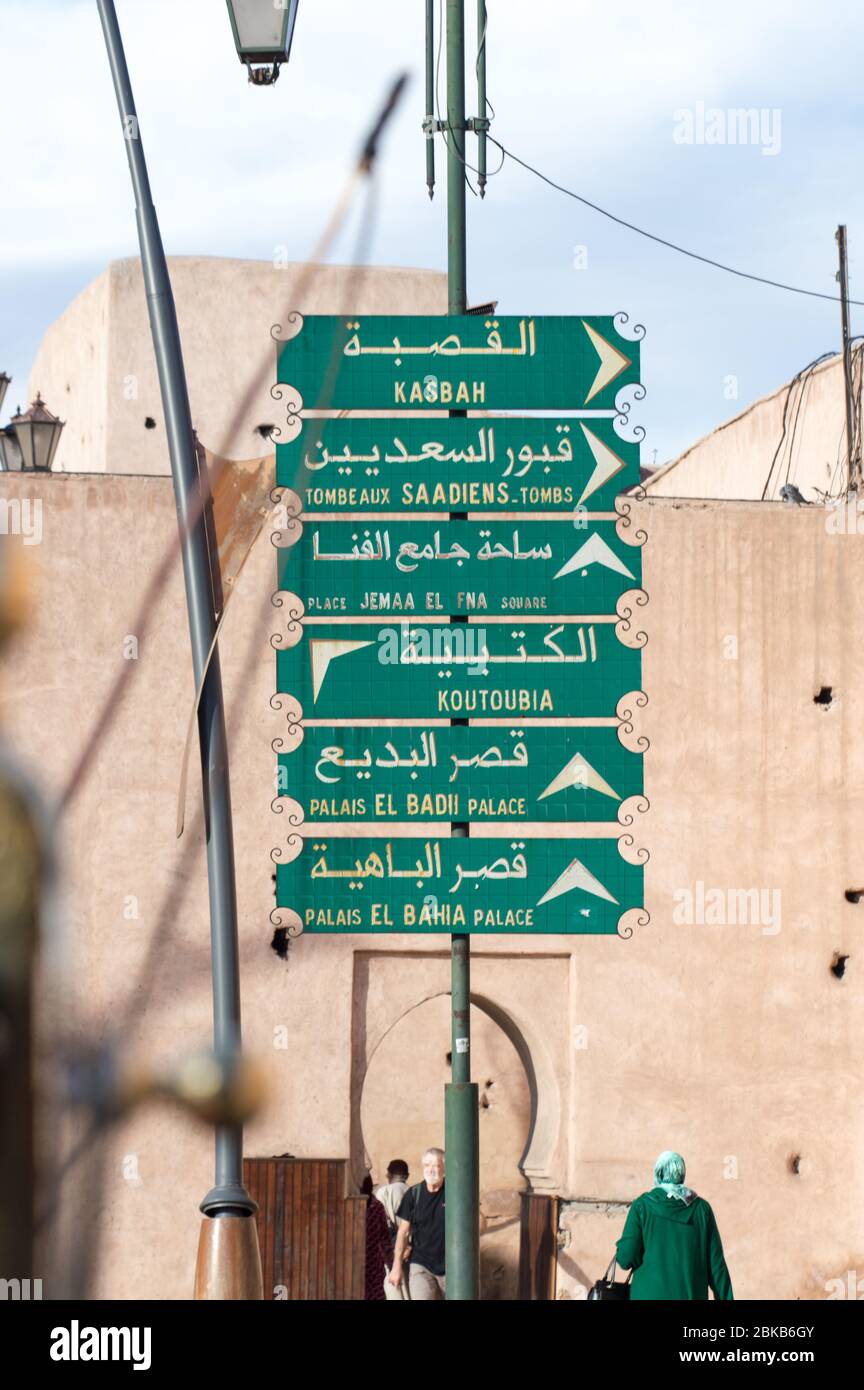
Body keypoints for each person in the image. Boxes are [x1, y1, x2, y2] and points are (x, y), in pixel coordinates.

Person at [615, 1150, 733, 1300]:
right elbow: (717, 1267)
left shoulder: (641, 1207)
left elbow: (626, 1258)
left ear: (658, 1173)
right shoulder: (702, 1209)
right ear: (682, 1174)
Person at [389, 1147, 446, 1300]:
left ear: (444, 1169)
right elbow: (403, 1232)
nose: (431, 1170)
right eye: (427, 1165)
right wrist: (396, 1266)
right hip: (421, 1263)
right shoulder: (414, 1194)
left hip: (451, 1265)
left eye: (436, 1165)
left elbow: (480, 1223)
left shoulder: (453, 1192)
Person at [376, 1160, 410, 1301]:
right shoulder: (414, 1191)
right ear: (407, 1175)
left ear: (388, 1175)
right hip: (415, 1252)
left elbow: (381, 1225)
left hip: (391, 1252)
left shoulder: (383, 1192)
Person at [361, 1173, 392, 1302]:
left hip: (369, 1266)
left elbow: (384, 1238)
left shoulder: (372, 1207)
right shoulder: (376, 1206)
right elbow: (385, 1238)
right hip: (374, 1267)